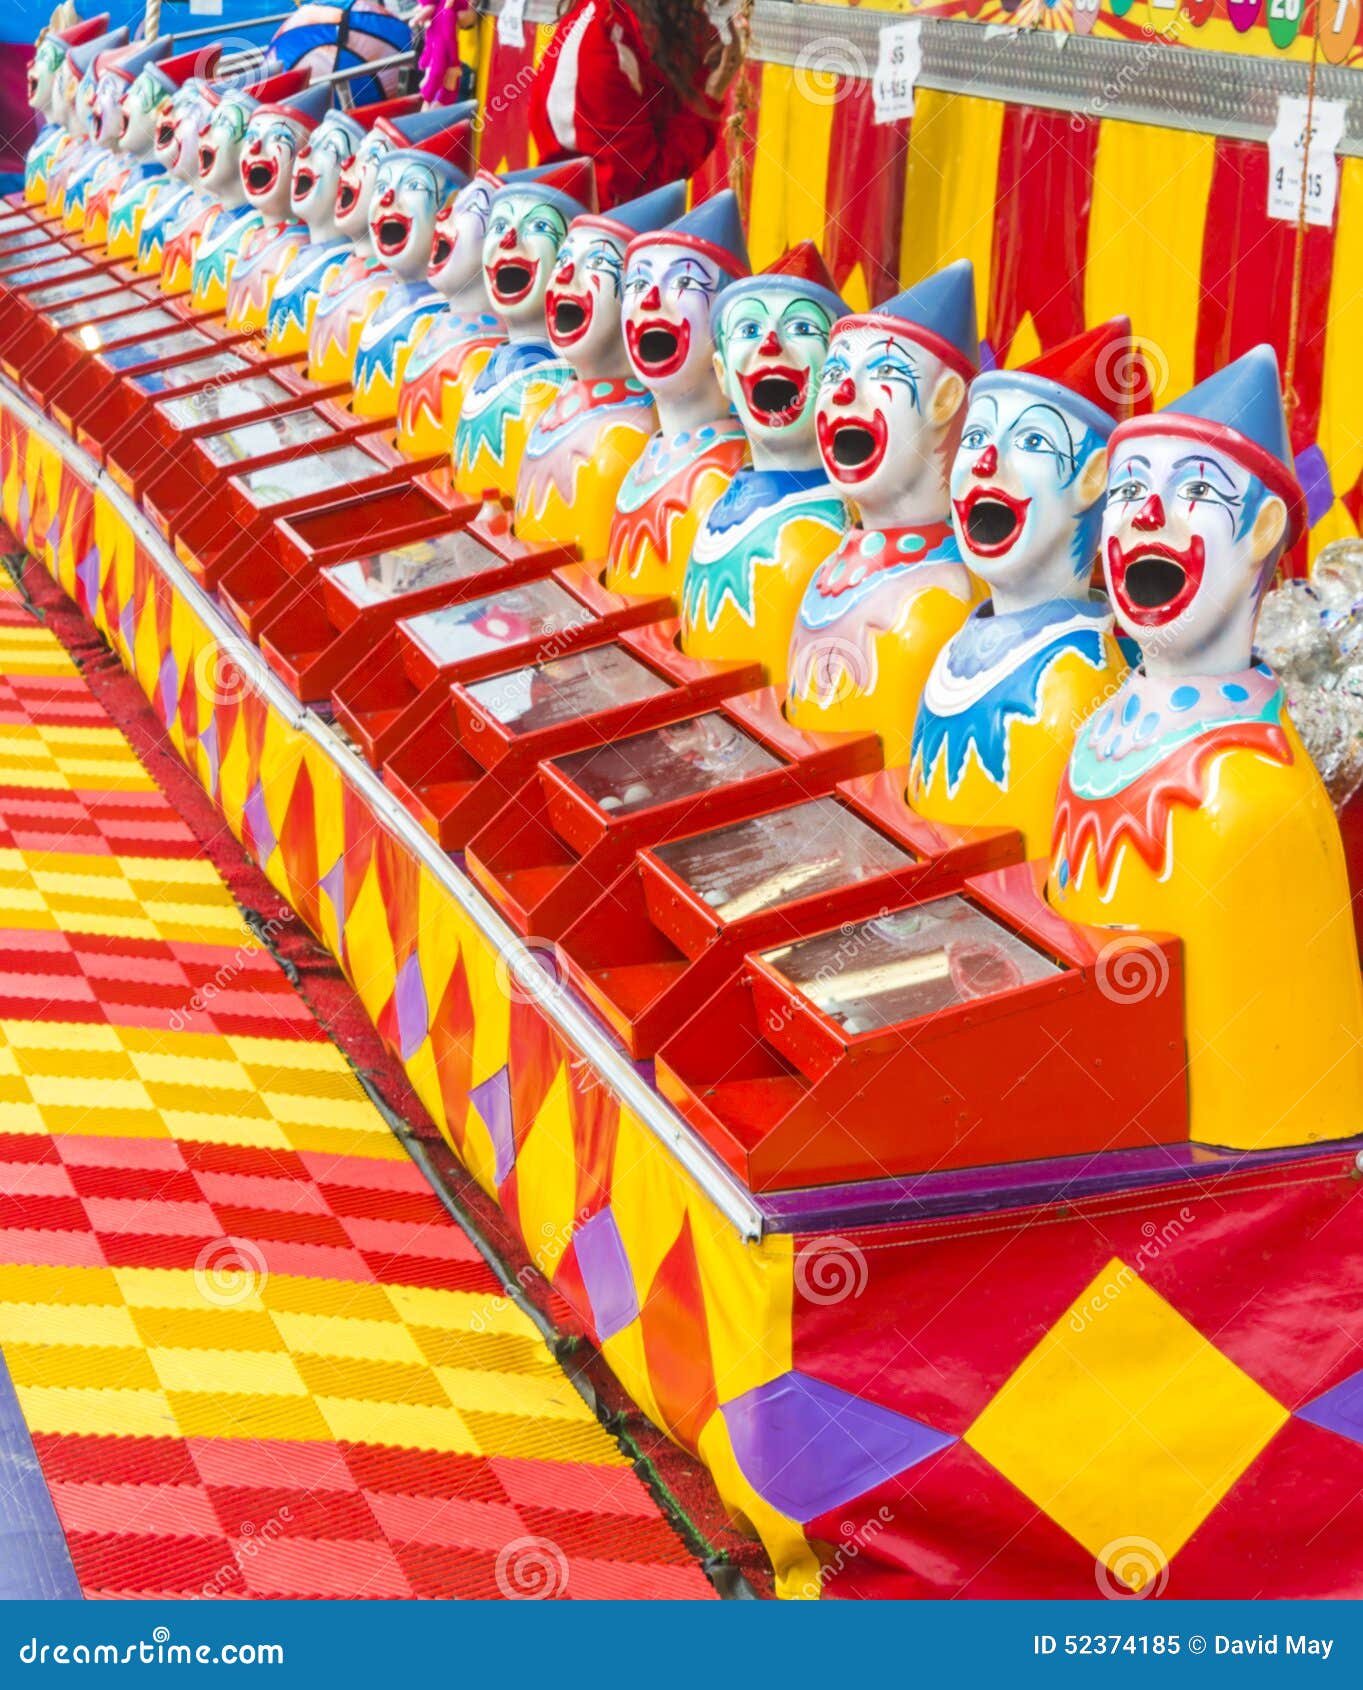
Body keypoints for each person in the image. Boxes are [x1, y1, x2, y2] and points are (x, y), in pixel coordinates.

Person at [527, 0, 747, 208]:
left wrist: (706, 81)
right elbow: (639, 191)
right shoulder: (604, 44)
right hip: (584, 227)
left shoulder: (669, 19)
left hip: (624, 217)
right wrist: (709, 95)